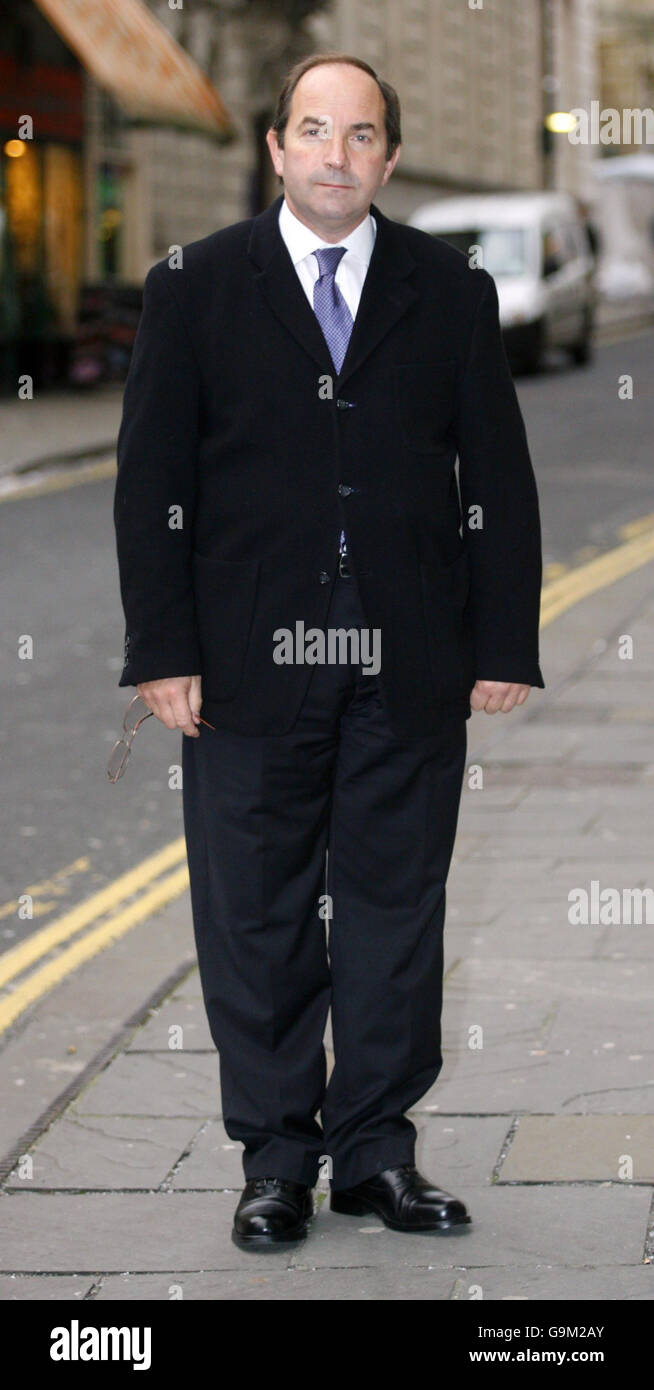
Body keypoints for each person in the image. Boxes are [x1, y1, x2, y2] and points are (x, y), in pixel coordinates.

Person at [113, 53, 544, 1251]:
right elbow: (152, 483)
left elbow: (496, 481)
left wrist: (504, 636)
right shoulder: (194, 286)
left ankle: (375, 1153)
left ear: (389, 159)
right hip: (249, 660)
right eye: (315, 131)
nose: (336, 156)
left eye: (361, 137)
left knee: (396, 906)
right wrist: (163, 650)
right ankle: (274, 1158)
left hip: (407, 658)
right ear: (276, 147)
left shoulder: (449, 288)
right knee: (255, 911)